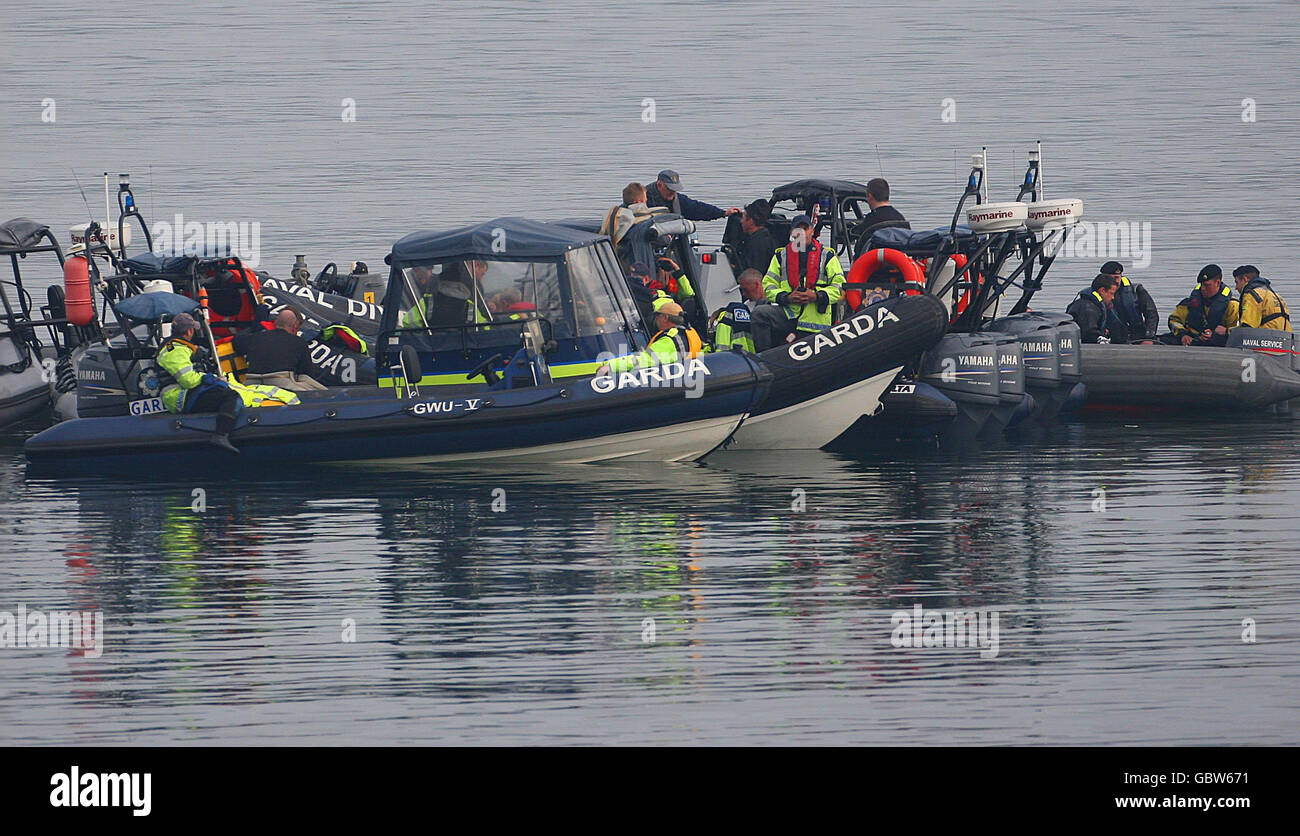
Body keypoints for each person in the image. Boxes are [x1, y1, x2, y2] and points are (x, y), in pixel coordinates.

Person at [751, 215, 846, 351]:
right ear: (791, 233)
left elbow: (840, 287)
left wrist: (817, 296)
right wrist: (786, 297)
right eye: (797, 229)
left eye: (805, 228)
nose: (801, 232)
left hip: (816, 317)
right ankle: (764, 358)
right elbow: (768, 285)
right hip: (789, 311)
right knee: (759, 314)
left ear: (812, 231)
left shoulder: (828, 256)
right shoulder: (780, 256)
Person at [156, 313, 244, 453]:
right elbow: (188, 380)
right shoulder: (175, 350)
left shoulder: (180, 348)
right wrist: (209, 379)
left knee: (224, 391)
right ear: (189, 331)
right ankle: (221, 435)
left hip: (184, 394)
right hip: (178, 397)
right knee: (231, 396)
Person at [598, 296, 703, 374]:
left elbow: (645, 359)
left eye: (658, 316)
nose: (656, 320)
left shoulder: (670, 340)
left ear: (665, 317)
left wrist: (611, 366)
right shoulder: (690, 332)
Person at [232, 307, 328, 391]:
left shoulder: (255, 337)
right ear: (294, 327)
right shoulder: (299, 342)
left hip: (251, 382)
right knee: (320, 392)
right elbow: (307, 374)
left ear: (275, 323)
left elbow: (237, 343)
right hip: (281, 381)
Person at [1163, 264, 1240, 346]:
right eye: (1201, 285)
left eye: (1207, 285)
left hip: (1217, 344)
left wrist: (1215, 335)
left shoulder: (1232, 306)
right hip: (1191, 339)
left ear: (1217, 283)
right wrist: (1183, 334)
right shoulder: (1191, 302)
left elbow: (1236, 333)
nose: (1203, 288)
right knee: (1157, 341)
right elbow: (1174, 320)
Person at [645, 169, 739, 222]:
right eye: (670, 189)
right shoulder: (642, 198)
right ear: (659, 185)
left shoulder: (678, 200)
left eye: (675, 189)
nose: (673, 193)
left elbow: (697, 208)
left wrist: (723, 213)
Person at [1099, 261, 1158, 344]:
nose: (1115, 282)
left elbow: (1152, 314)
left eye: (1117, 278)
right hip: (1111, 338)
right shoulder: (1098, 294)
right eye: (1111, 278)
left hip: (1137, 335)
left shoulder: (1136, 291)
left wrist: (1149, 338)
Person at [710, 269, 765, 353]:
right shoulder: (746, 306)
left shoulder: (774, 304)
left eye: (745, 290)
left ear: (757, 284)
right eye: (742, 290)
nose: (743, 294)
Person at [1066, 273, 1123, 344]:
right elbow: (1089, 335)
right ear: (1102, 290)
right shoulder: (1088, 309)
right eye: (1111, 293)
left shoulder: (1093, 305)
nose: (1113, 297)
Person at [1233, 265, 1291, 332]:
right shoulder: (1274, 295)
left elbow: (1247, 327)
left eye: (1236, 282)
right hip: (1286, 338)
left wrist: (1227, 331)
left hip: (1266, 338)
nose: (1236, 287)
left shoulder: (1252, 295)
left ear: (1245, 279)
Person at [735, 199, 778, 274]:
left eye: (743, 218)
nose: (741, 221)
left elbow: (754, 271)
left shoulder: (757, 243)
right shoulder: (766, 237)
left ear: (751, 221)